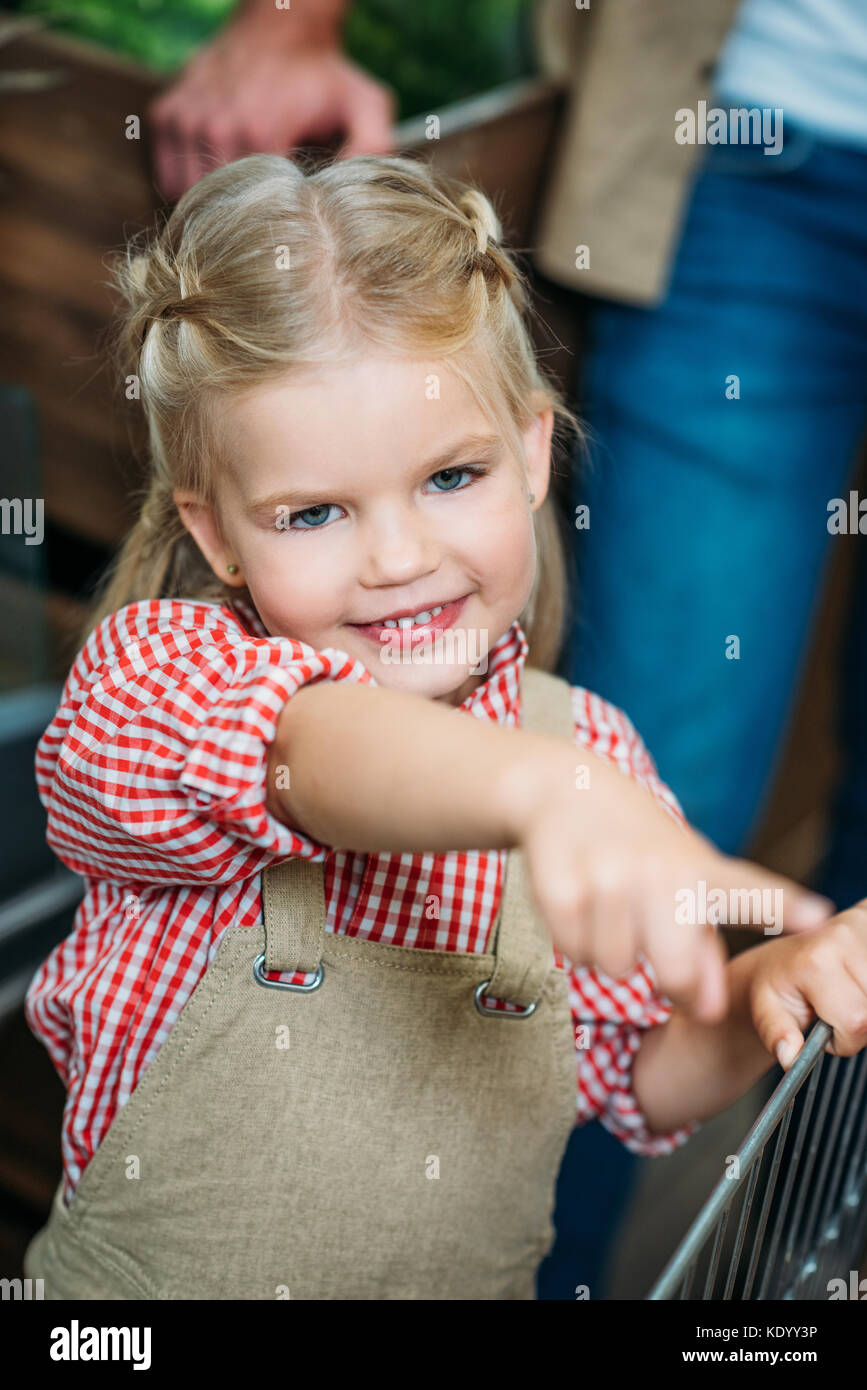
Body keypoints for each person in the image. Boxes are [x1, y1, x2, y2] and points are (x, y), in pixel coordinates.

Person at [19, 151, 866, 1300]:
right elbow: (305, 750)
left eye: (450, 478)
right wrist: (536, 794)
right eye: (313, 511)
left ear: (528, 451)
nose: (400, 559)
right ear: (217, 536)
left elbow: (632, 1077)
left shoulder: (597, 754)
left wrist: (768, 988)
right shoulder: (157, 682)